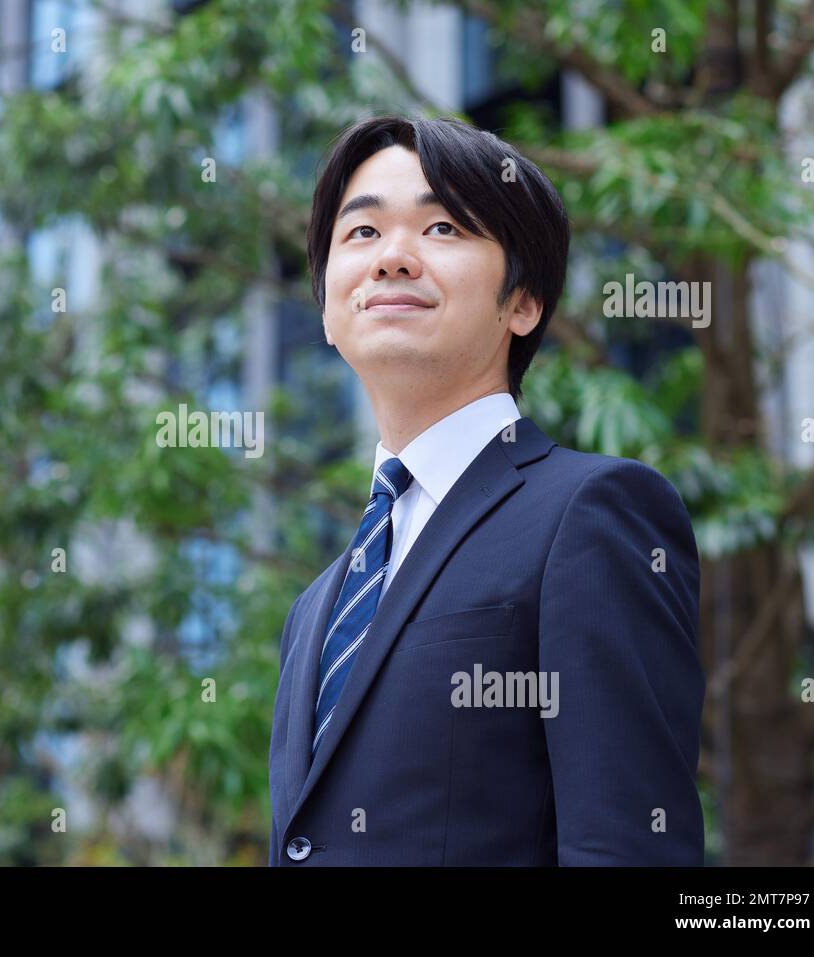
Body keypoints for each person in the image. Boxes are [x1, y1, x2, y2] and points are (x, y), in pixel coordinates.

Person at [267, 114, 705, 866]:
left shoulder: (592, 514)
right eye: (362, 234)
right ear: (328, 312)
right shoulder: (315, 608)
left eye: (441, 227)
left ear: (524, 301)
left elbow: (627, 846)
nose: (392, 259)